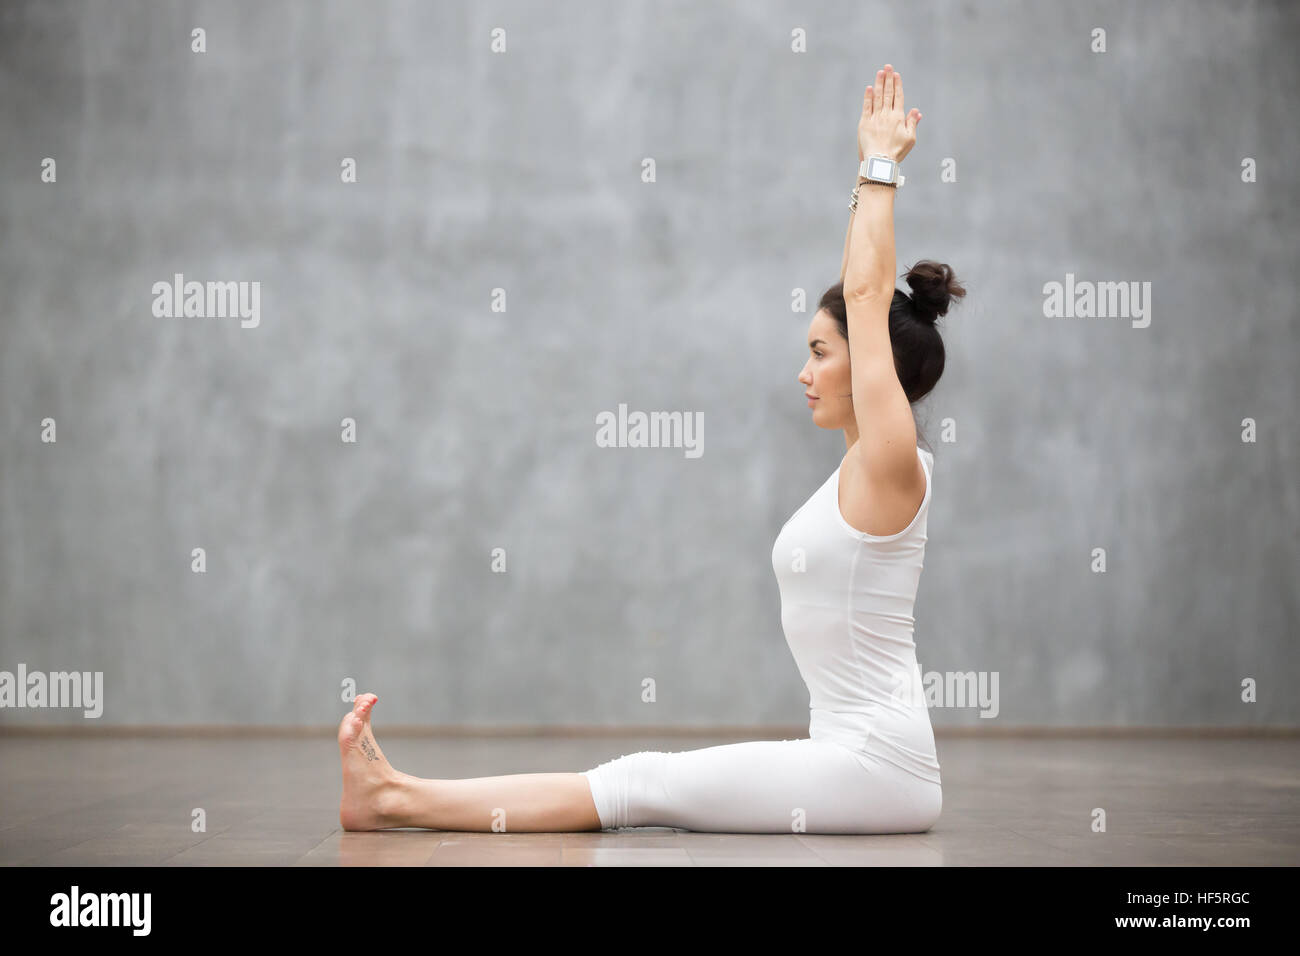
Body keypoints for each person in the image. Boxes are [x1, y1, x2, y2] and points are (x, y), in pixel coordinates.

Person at [337, 63, 965, 834]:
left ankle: (393, 797)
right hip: (854, 759)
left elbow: (864, 297)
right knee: (642, 779)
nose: (803, 373)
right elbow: (859, 299)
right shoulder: (860, 471)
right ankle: (393, 794)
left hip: (877, 769)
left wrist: (878, 166)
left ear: (875, 374)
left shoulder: (891, 465)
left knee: (641, 783)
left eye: (820, 353)